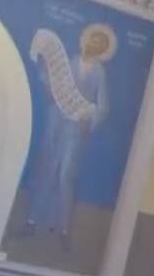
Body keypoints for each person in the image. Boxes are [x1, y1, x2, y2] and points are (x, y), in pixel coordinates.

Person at [24, 26, 112, 248]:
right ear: (85, 41)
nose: (94, 45)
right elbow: (51, 84)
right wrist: (47, 81)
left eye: (100, 44)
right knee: (46, 169)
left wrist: (89, 117)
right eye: (93, 40)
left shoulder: (99, 73)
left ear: (103, 50)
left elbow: (103, 107)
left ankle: (63, 229)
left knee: (66, 176)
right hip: (56, 122)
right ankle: (32, 221)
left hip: (75, 129)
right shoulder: (68, 62)